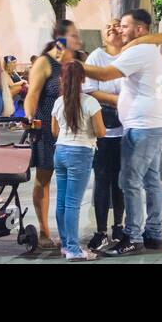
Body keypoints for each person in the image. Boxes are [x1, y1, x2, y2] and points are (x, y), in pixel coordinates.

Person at [81, 9, 162, 257]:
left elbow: (106, 73)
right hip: (151, 123)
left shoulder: (140, 51)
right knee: (151, 181)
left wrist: (78, 66)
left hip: (143, 126)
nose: (120, 30)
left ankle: (133, 236)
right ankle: (154, 232)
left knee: (128, 181)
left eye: (125, 26)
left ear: (139, 29)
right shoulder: (148, 50)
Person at [51, 59, 106, 260]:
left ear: (62, 79)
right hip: (80, 153)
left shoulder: (59, 102)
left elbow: (54, 131)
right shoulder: (91, 102)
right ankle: (74, 250)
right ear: (83, 78)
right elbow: (101, 132)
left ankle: (66, 244)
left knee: (62, 201)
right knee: (73, 203)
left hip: (60, 152)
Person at [83, 20, 127, 253]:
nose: (111, 28)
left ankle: (119, 226)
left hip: (127, 128)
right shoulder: (96, 58)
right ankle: (100, 232)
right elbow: (89, 90)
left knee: (121, 181)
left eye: (117, 25)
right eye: (108, 25)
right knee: (102, 180)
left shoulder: (129, 55)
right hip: (103, 129)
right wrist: (118, 100)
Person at [24, 33, 66, 248]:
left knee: (69, 182)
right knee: (44, 178)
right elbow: (32, 94)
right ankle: (44, 230)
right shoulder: (45, 63)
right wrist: (30, 119)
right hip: (46, 129)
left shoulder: (74, 61)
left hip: (70, 129)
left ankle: (67, 232)